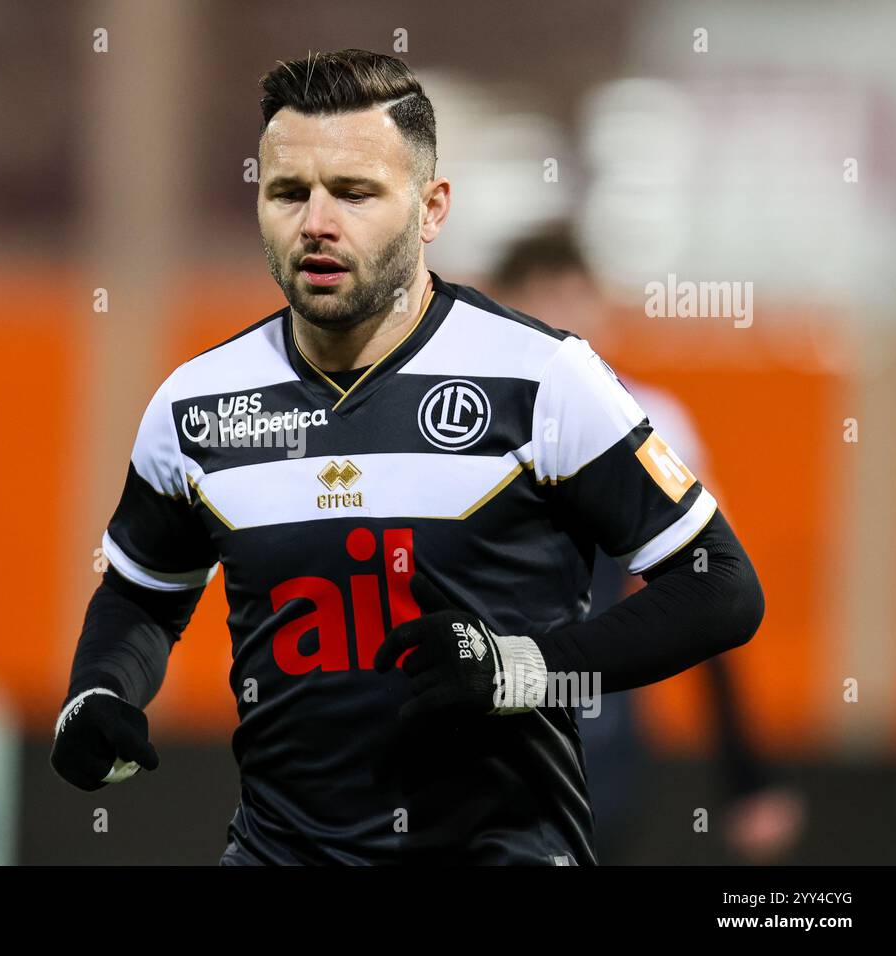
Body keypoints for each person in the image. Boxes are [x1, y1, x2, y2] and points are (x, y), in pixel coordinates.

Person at [50, 48, 764, 865]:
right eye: (288, 192)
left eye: (354, 192)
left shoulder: (542, 379)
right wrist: (100, 691)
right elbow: (143, 596)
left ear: (432, 208)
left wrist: (521, 670)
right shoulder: (196, 404)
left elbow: (721, 588)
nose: (316, 221)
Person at [489, 227, 805, 863]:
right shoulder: (459, 423)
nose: (562, 318)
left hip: (598, 720)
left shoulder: (648, 422)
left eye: (575, 298)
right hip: (478, 715)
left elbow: (709, 597)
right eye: (541, 300)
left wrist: (746, 777)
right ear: (504, 311)